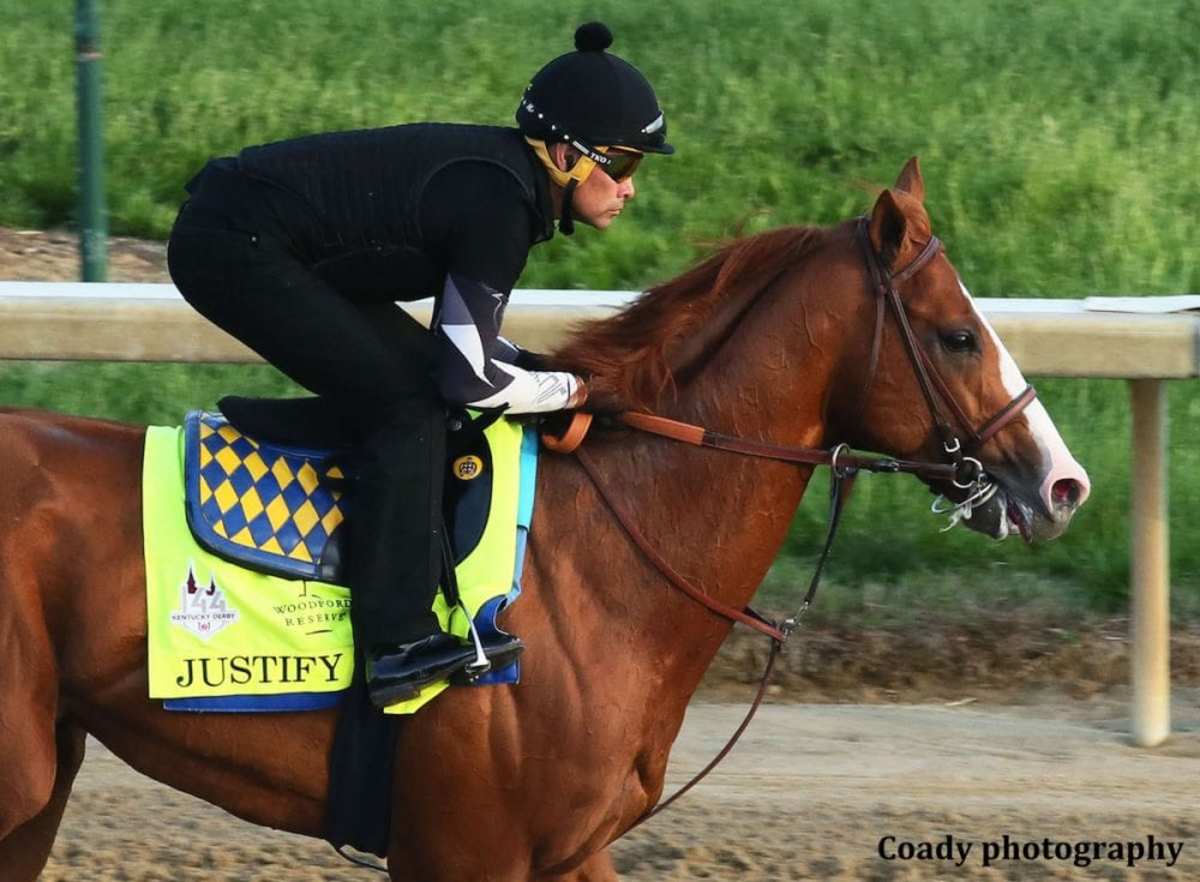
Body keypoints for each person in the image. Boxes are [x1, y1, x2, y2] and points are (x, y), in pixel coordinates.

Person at [166, 21, 673, 707]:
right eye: (623, 165)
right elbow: (466, 376)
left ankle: (328, 442)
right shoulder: (500, 207)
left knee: (416, 393)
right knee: (408, 408)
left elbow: (462, 354)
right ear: (564, 153)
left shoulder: (504, 189)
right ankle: (397, 643)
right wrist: (573, 387)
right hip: (233, 244)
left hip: (266, 235)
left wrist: (554, 381)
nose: (630, 188)